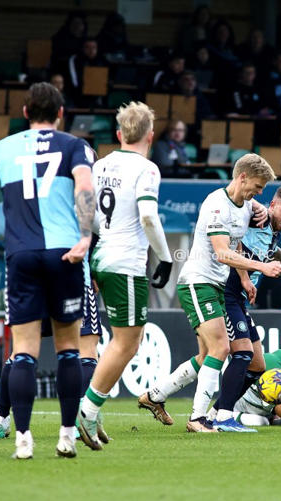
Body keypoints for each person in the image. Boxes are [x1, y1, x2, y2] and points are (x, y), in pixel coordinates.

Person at [0, 82, 96, 459]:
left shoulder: (1, 149)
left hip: (21, 257)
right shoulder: (74, 145)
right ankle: (66, 436)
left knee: (23, 352)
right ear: (61, 113)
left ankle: (22, 440)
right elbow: (84, 185)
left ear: (24, 113)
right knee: (68, 349)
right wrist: (85, 236)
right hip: (65, 255)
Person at [138, 186, 281, 428]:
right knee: (240, 354)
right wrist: (244, 277)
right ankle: (220, 415)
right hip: (226, 293)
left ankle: (157, 396)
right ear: (272, 205)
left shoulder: (273, 230)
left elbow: (273, 251)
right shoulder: (256, 219)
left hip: (238, 298)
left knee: (251, 364)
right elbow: (234, 246)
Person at [77, 102, 175, 450]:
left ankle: (92, 410)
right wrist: (165, 259)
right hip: (126, 262)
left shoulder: (99, 165)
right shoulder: (147, 169)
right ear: (151, 135)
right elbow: (148, 216)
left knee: (116, 341)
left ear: (119, 134)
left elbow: (85, 213)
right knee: (128, 343)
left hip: (99, 257)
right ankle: (86, 411)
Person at [167, 154, 281, 432]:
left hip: (217, 286)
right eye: (258, 185)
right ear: (242, 177)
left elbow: (236, 244)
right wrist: (261, 268)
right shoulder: (217, 205)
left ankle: (157, 396)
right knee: (221, 349)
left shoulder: (245, 204)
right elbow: (222, 252)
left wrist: (244, 278)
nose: (260, 192)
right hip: (198, 281)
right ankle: (199, 418)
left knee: (209, 354)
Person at [0, 259, 103, 439]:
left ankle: (1, 421)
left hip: (28, 275)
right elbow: (92, 233)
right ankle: (76, 422)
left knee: (20, 351)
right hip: (70, 274)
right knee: (85, 350)